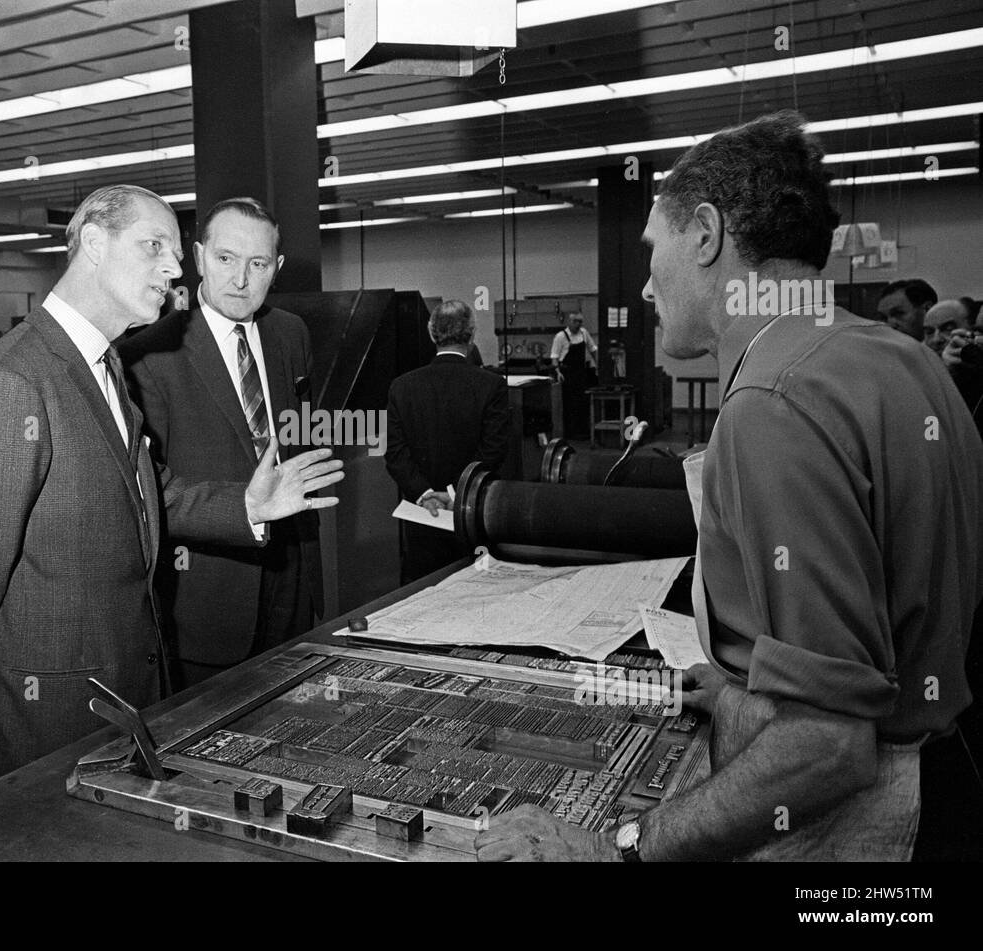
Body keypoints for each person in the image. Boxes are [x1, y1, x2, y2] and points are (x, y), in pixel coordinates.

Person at [476, 112, 982, 862]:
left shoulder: (773, 403)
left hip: (865, 822)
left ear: (707, 235)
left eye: (655, 253)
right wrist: (740, 692)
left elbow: (830, 746)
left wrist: (619, 847)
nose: (646, 287)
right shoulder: (902, 361)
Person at [0, 185, 342, 786]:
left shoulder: (103, 364)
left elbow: (147, 491)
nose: (173, 267)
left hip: (126, 696)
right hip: (54, 716)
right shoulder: (14, 382)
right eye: (153, 247)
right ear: (93, 242)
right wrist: (18, 662)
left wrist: (245, 505)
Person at [120, 197, 323, 688]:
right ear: (197, 256)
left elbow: (297, 438)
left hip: (290, 580)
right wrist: (246, 510)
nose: (240, 279)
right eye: (225, 259)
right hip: (205, 598)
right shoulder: (147, 354)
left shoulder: (290, 334)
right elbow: (151, 495)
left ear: (275, 268)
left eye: (257, 264)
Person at [386, 299, 510, 584]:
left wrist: (425, 493)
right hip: (472, 515)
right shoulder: (491, 385)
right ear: (472, 335)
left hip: (421, 515)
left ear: (432, 334)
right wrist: (457, 495)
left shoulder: (402, 387)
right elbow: (493, 451)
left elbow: (395, 455)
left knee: (420, 592)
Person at [549, 311, 598, 438]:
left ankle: (582, 431)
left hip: (580, 373)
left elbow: (593, 350)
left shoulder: (584, 333)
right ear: (569, 322)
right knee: (569, 404)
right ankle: (570, 433)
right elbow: (554, 357)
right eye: (575, 321)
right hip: (567, 374)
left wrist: (599, 366)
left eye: (580, 321)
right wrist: (558, 372)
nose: (578, 324)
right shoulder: (561, 336)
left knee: (582, 402)